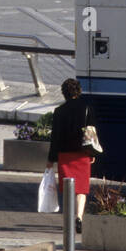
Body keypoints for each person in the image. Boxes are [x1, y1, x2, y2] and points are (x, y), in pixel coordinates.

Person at [47, 78, 95, 234]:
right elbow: (91, 132)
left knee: (68, 190)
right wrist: (92, 153)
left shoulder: (59, 111)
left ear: (64, 93)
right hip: (82, 154)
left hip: (65, 155)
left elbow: (55, 138)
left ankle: (67, 222)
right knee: (81, 190)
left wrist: (51, 159)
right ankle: (79, 217)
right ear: (78, 91)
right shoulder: (86, 108)